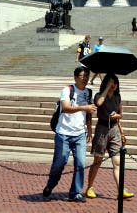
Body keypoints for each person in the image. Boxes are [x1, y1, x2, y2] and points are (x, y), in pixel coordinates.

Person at [43, 66, 96, 203]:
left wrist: (89, 130)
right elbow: (66, 108)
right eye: (82, 76)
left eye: (87, 76)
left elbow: (88, 113)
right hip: (64, 133)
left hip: (80, 134)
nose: (84, 79)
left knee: (81, 163)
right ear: (75, 77)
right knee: (59, 163)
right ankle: (51, 185)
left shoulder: (89, 92)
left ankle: (75, 192)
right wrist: (83, 107)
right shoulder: (67, 90)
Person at [84, 73, 134, 200]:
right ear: (106, 83)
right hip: (102, 129)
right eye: (111, 82)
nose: (113, 85)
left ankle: (120, 190)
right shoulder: (99, 95)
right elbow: (99, 103)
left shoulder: (118, 97)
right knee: (97, 161)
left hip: (114, 129)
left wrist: (118, 120)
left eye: (115, 82)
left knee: (117, 162)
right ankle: (90, 187)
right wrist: (106, 89)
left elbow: (120, 114)